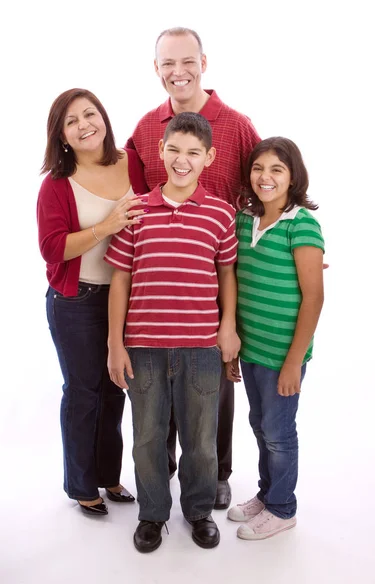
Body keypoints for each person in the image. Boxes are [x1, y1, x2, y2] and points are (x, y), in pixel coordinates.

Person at [125, 26, 261, 509]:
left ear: (204, 61)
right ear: (156, 68)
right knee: (154, 392)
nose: (178, 72)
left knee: (214, 380)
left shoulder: (236, 124)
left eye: (187, 62)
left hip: (220, 269)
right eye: (167, 64)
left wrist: (293, 242)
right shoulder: (144, 128)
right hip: (159, 284)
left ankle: (215, 471)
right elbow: (132, 198)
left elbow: (269, 182)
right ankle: (158, 470)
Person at [105, 112, 240, 552]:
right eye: (175, 150)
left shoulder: (220, 215)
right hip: (143, 348)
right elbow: (121, 279)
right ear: (161, 151)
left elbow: (227, 277)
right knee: (147, 436)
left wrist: (227, 329)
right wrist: (114, 344)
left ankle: (198, 511)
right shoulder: (137, 211)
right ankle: (152, 513)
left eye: (193, 153)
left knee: (201, 439)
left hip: (201, 347)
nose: (183, 160)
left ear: (209, 158)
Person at [37, 88, 148, 516]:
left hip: (128, 295)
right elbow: (52, 249)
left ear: (103, 117)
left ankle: (109, 475)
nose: (84, 125)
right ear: (62, 136)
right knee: (84, 392)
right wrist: (107, 226)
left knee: (116, 388)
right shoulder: (57, 184)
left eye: (90, 114)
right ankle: (82, 485)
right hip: (77, 300)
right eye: (71, 121)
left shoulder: (132, 162)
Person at [225, 137, 325, 540]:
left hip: (284, 355)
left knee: (280, 434)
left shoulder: (302, 224)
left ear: (293, 176)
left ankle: (283, 509)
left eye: (276, 170)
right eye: (258, 168)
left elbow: (314, 297)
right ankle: (268, 495)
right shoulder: (244, 220)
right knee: (259, 424)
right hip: (252, 351)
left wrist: (292, 361)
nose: (265, 177)